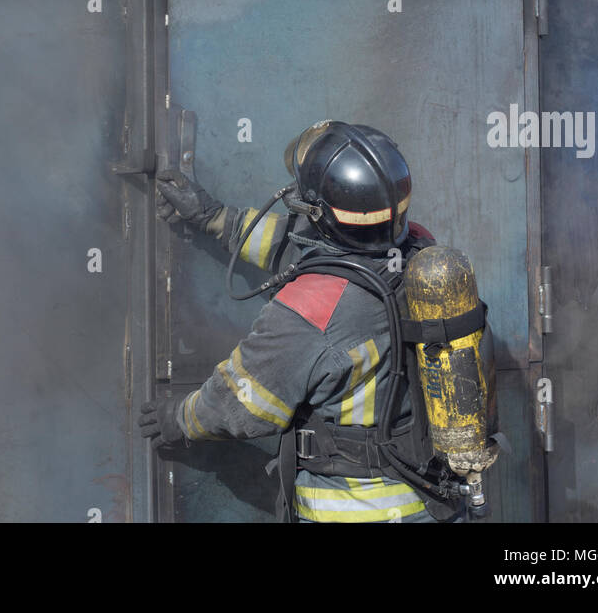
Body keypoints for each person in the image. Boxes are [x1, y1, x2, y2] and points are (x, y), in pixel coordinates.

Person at [140, 120, 496, 523]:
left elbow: (241, 406)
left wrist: (180, 418)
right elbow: (300, 244)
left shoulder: (313, 309)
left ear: (321, 213)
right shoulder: (418, 251)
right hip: (436, 501)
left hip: (359, 512)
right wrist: (215, 217)